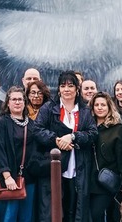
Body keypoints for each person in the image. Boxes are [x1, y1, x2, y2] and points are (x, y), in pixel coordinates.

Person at [34, 70, 97, 222]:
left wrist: (73, 136)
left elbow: (93, 133)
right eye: (63, 86)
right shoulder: (49, 108)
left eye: (70, 86)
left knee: (76, 208)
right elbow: (37, 130)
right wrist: (56, 140)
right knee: (54, 208)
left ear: (77, 88)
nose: (66, 89)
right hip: (54, 165)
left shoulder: (85, 111)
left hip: (79, 165)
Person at [0, 87, 36, 222]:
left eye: (20, 99)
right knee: (8, 217)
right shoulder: (3, 122)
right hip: (10, 178)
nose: (17, 102)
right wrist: (7, 176)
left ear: (25, 103)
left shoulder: (32, 124)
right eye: (14, 99)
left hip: (29, 177)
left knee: (26, 217)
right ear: (8, 103)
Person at [88, 92, 122, 222]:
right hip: (88, 180)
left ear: (109, 107)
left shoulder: (117, 129)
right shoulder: (87, 128)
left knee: (98, 214)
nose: (100, 107)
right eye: (96, 105)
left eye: (103, 104)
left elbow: (121, 158)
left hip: (107, 181)